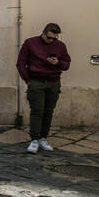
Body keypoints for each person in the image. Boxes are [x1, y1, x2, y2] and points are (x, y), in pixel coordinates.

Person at [16, 23, 70, 153]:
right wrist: (28, 81)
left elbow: (67, 64)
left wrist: (58, 63)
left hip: (53, 82)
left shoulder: (60, 46)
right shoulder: (30, 43)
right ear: (43, 32)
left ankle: (43, 138)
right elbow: (20, 63)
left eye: (54, 38)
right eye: (49, 37)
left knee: (48, 111)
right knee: (37, 111)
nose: (52, 40)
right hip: (36, 81)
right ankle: (34, 140)